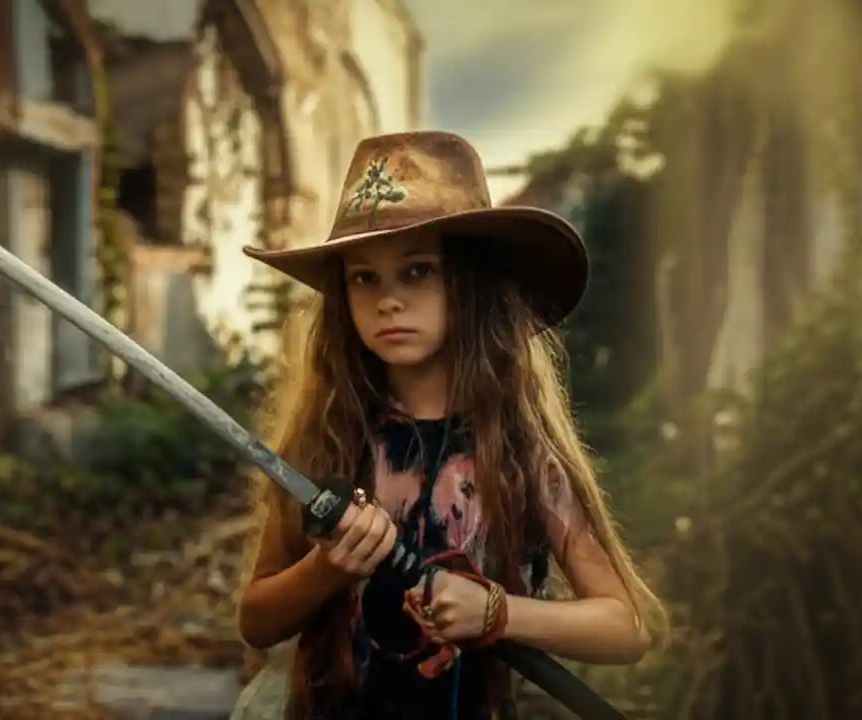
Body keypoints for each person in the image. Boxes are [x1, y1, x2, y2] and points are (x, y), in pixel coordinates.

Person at [234, 131, 665, 719]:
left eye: (417, 272)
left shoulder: (519, 456)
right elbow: (257, 620)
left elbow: (627, 626)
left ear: (470, 282)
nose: (388, 300)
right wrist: (325, 568)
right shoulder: (328, 440)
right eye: (365, 277)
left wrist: (499, 612)